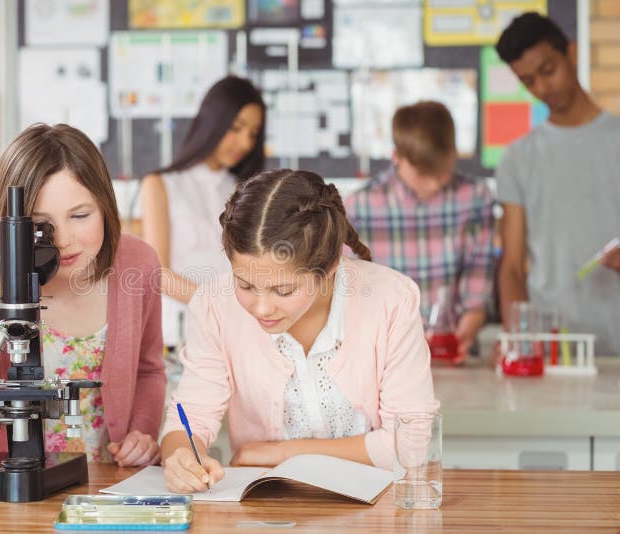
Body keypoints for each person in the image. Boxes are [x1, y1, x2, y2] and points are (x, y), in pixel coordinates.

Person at [159, 169, 438, 493]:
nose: (261, 308)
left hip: (379, 511)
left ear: (330, 268)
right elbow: (189, 418)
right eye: (245, 284)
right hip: (266, 512)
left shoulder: (391, 299)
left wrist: (280, 454)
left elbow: (410, 442)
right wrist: (180, 455)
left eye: (283, 290)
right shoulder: (214, 307)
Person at [0, 123, 166, 467]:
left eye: (80, 216)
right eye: (42, 225)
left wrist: (142, 435)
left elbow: (148, 371)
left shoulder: (138, 263)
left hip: (107, 488)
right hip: (14, 506)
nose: (63, 239)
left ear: (104, 205)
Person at [495, 12, 620, 355]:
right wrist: (519, 344)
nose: (543, 87)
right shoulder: (518, 159)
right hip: (556, 349)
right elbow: (512, 268)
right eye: (529, 81)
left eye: (548, 70)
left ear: (572, 53)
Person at [345, 101, 495, 363]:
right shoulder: (359, 208)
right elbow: (349, 294)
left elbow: (477, 276)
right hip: (385, 359)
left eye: (442, 170)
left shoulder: (476, 198)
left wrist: (469, 326)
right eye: (424, 173)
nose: (435, 182)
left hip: (454, 354)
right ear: (396, 157)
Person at [140, 75, 266, 348]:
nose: (245, 142)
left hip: (238, 340)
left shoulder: (246, 191)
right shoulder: (161, 185)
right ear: (213, 122)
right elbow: (157, 272)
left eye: (253, 134)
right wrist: (218, 308)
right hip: (179, 339)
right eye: (237, 127)